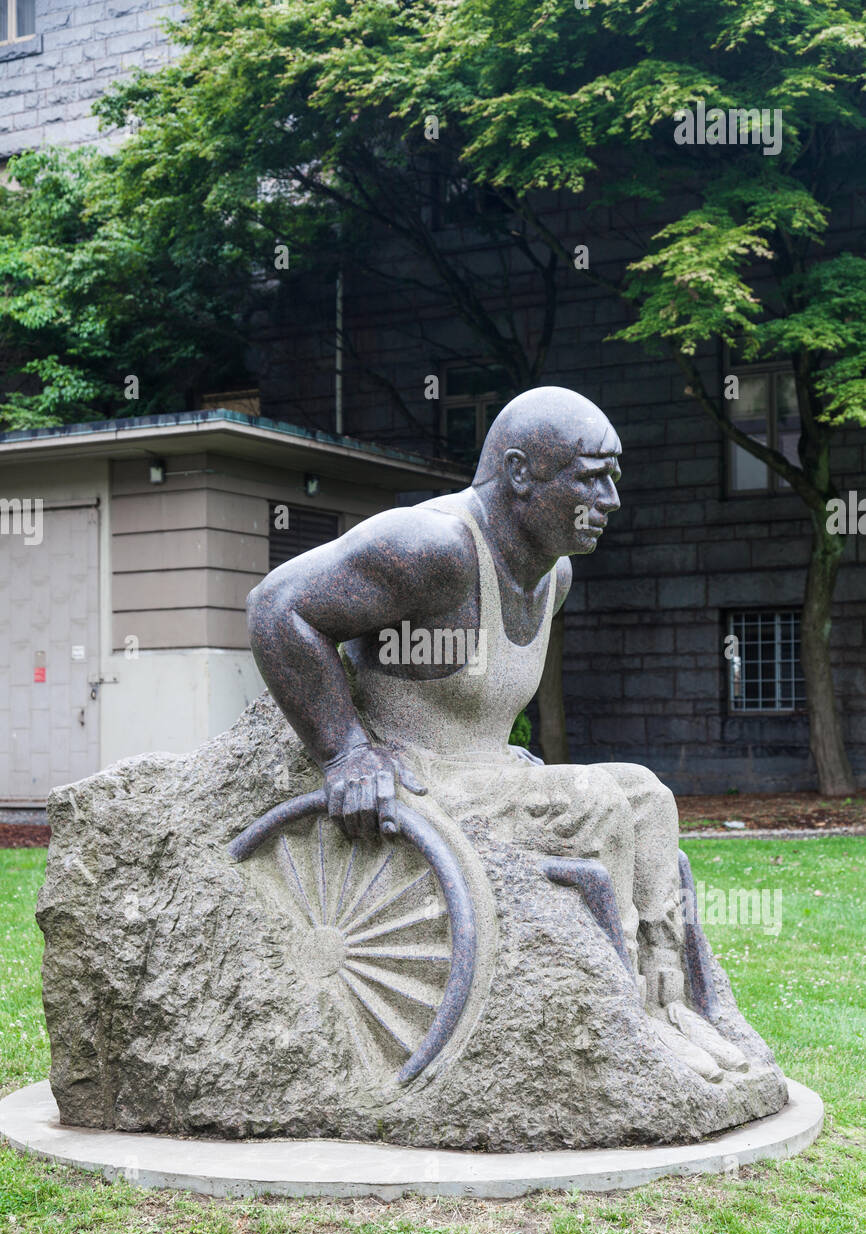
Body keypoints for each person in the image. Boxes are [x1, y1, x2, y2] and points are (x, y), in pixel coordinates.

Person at [247, 386, 747, 1080]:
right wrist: (346, 753)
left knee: (647, 795)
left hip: (485, 774)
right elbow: (276, 608)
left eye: (614, 479)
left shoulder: (554, 573)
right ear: (519, 473)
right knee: (597, 800)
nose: (611, 500)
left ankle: (668, 1005)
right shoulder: (430, 546)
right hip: (415, 779)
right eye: (591, 477)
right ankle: (626, 1013)